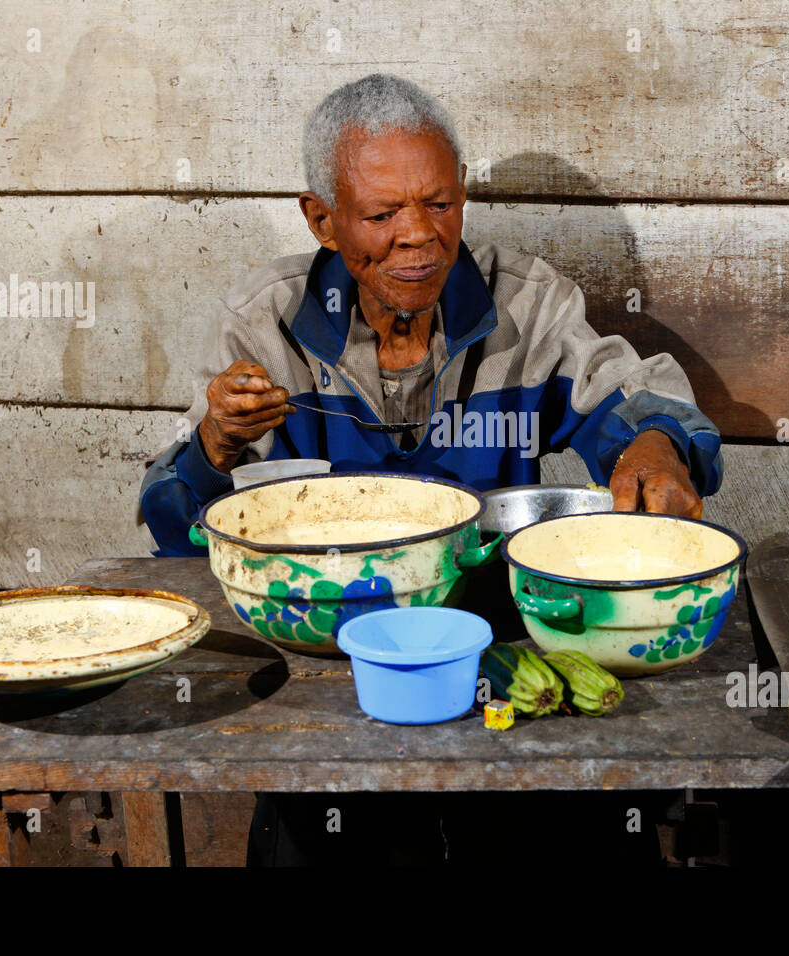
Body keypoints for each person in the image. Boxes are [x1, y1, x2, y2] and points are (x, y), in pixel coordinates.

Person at [139, 73, 724, 864]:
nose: (419, 236)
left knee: (577, 834)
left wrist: (652, 442)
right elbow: (175, 527)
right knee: (319, 838)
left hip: (504, 649)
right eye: (382, 215)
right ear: (323, 219)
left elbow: (630, 394)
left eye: (440, 205)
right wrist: (218, 442)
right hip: (335, 664)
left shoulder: (527, 303)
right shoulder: (268, 322)